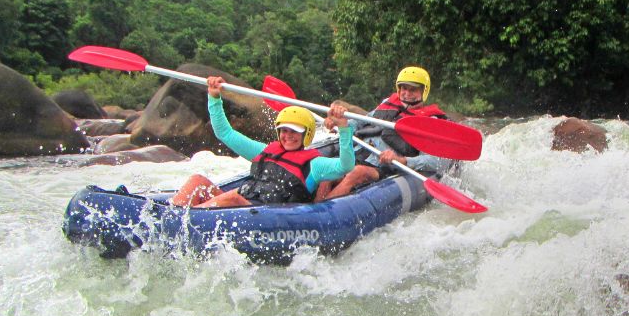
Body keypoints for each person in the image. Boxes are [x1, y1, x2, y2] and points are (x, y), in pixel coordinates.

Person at [170, 76, 355, 208]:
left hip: (268, 215)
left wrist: (344, 129)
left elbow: (345, 166)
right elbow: (224, 133)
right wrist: (214, 97)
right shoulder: (264, 151)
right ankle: (173, 215)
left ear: (306, 134)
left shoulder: (315, 165)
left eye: (295, 131)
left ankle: (187, 221)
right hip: (245, 203)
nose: (288, 135)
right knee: (198, 181)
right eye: (284, 130)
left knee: (234, 199)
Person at [318, 66, 452, 200]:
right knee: (327, 172)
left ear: (424, 91)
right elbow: (361, 122)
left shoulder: (429, 122)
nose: (407, 93)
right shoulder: (387, 104)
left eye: (413, 90)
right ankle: (315, 206)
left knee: (356, 172)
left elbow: (436, 161)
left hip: (384, 166)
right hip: (358, 153)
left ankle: (323, 211)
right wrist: (340, 124)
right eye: (404, 88)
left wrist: (402, 160)